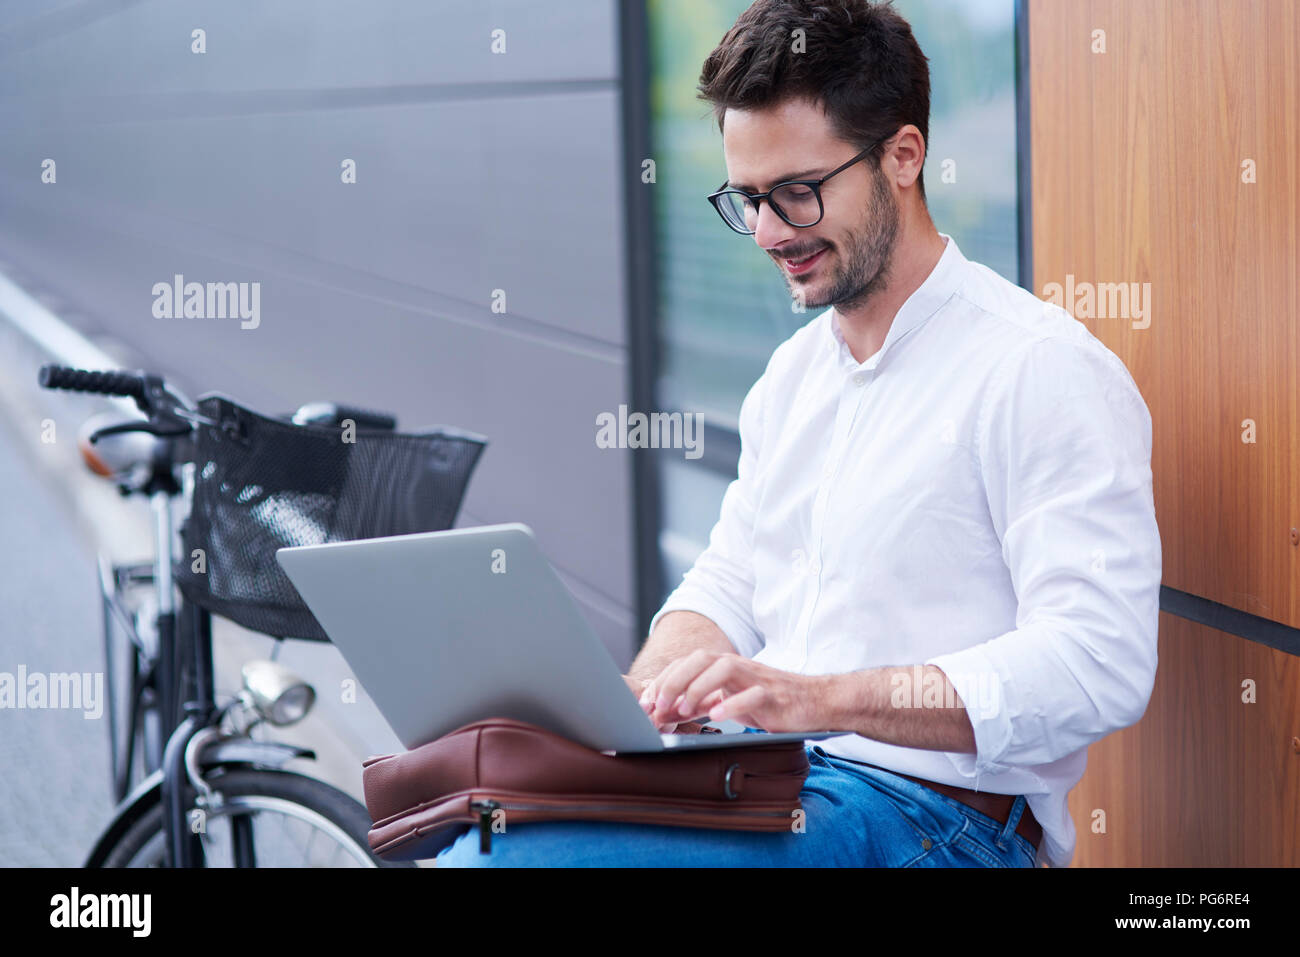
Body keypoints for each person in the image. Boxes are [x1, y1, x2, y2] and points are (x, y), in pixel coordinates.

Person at [437, 0, 1161, 868]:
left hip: (941, 818)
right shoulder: (793, 377)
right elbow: (732, 579)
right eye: (748, 200)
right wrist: (649, 689)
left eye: (798, 193)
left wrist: (818, 698)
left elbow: (1098, 662)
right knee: (488, 829)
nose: (771, 233)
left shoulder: (1039, 370)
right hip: (776, 779)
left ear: (903, 155)